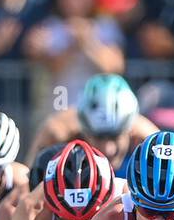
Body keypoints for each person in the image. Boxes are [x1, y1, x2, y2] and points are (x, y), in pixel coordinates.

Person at [26, 73, 158, 173]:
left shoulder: (148, 138)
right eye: (99, 137)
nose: (108, 149)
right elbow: (28, 184)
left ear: (130, 129)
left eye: (115, 136)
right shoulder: (57, 133)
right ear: (84, 130)